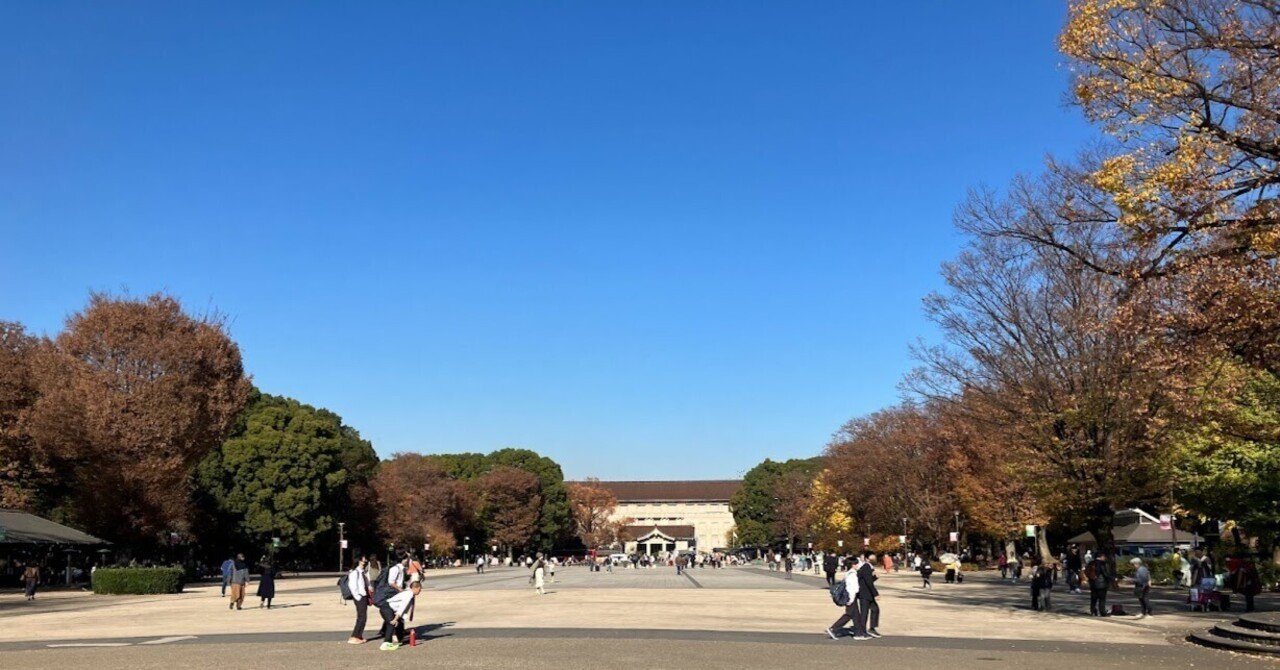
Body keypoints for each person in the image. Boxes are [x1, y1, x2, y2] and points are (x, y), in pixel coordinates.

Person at [825, 557, 866, 640]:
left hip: (850, 596)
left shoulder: (849, 573)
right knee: (849, 614)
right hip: (851, 596)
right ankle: (833, 628)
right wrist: (851, 599)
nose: (857, 565)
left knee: (856, 615)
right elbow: (852, 588)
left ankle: (858, 633)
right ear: (852, 565)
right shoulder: (852, 574)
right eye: (856, 563)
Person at [377, 579, 421, 651]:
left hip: (390, 609)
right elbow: (402, 606)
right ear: (414, 588)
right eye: (419, 589)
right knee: (392, 623)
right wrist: (395, 618)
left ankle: (400, 639)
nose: (420, 591)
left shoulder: (409, 593)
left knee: (400, 622)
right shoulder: (409, 594)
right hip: (386, 608)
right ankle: (386, 644)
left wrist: (399, 617)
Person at [347, 555, 371, 644]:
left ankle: (359, 635)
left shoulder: (362, 572)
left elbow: (366, 583)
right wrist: (358, 596)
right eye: (363, 560)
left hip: (363, 596)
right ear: (359, 561)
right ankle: (354, 636)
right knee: (361, 617)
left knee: (363, 617)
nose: (365, 562)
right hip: (360, 597)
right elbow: (352, 587)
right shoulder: (355, 572)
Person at [857, 553, 882, 638]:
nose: (874, 558)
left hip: (868, 593)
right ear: (867, 559)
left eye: (874, 556)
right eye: (872, 557)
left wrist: (875, 577)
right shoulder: (866, 567)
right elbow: (868, 582)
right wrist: (876, 594)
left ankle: (872, 628)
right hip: (864, 594)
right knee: (864, 613)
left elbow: (868, 580)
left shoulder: (869, 567)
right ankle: (862, 631)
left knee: (875, 609)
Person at [1086, 551, 1113, 616]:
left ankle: (1092, 611)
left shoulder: (1091, 563)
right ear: (1101, 556)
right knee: (1102, 599)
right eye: (1104, 556)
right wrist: (1112, 578)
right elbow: (1105, 574)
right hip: (1101, 583)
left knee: (1093, 598)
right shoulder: (1102, 564)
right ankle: (1102, 612)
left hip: (1093, 583)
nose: (1105, 558)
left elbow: (1086, 572)